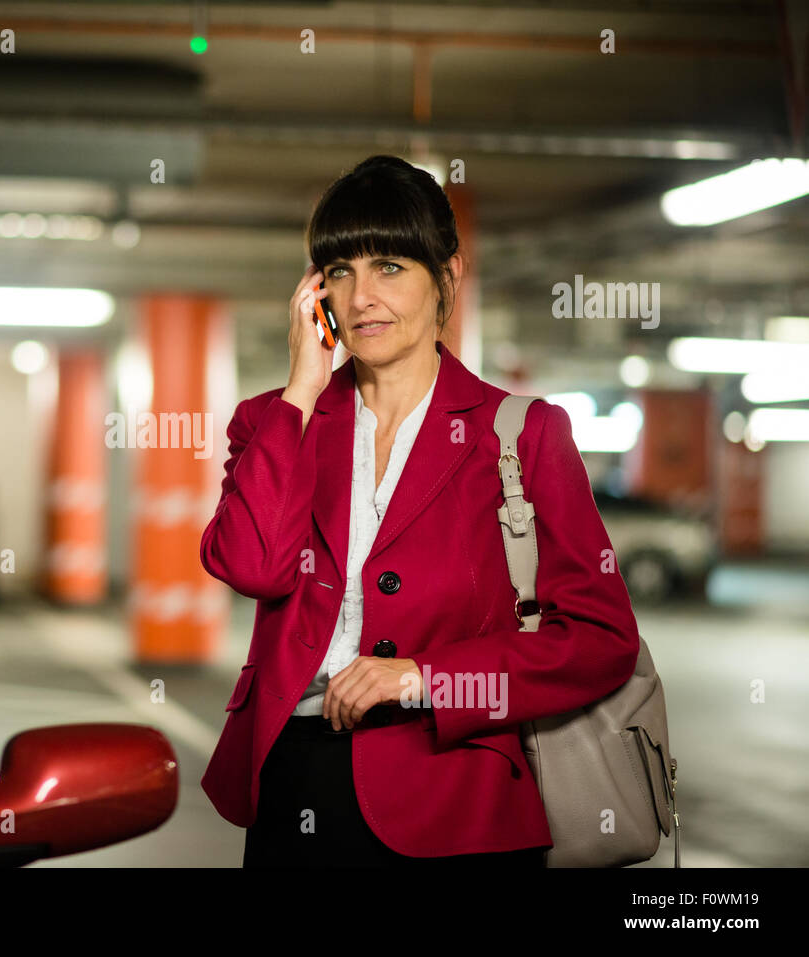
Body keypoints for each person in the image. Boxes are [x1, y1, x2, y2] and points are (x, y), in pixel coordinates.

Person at [199, 154, 641, 867]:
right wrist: (301, 394)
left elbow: (600, 638)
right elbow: (252, 566)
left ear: (447, 278)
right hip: (296, 786)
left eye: (390, 267)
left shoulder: (523, 433)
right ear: (315, 294)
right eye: (339, 270)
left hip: (455, 792)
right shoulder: (276, 419)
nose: (363, 295)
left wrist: (427, 677)